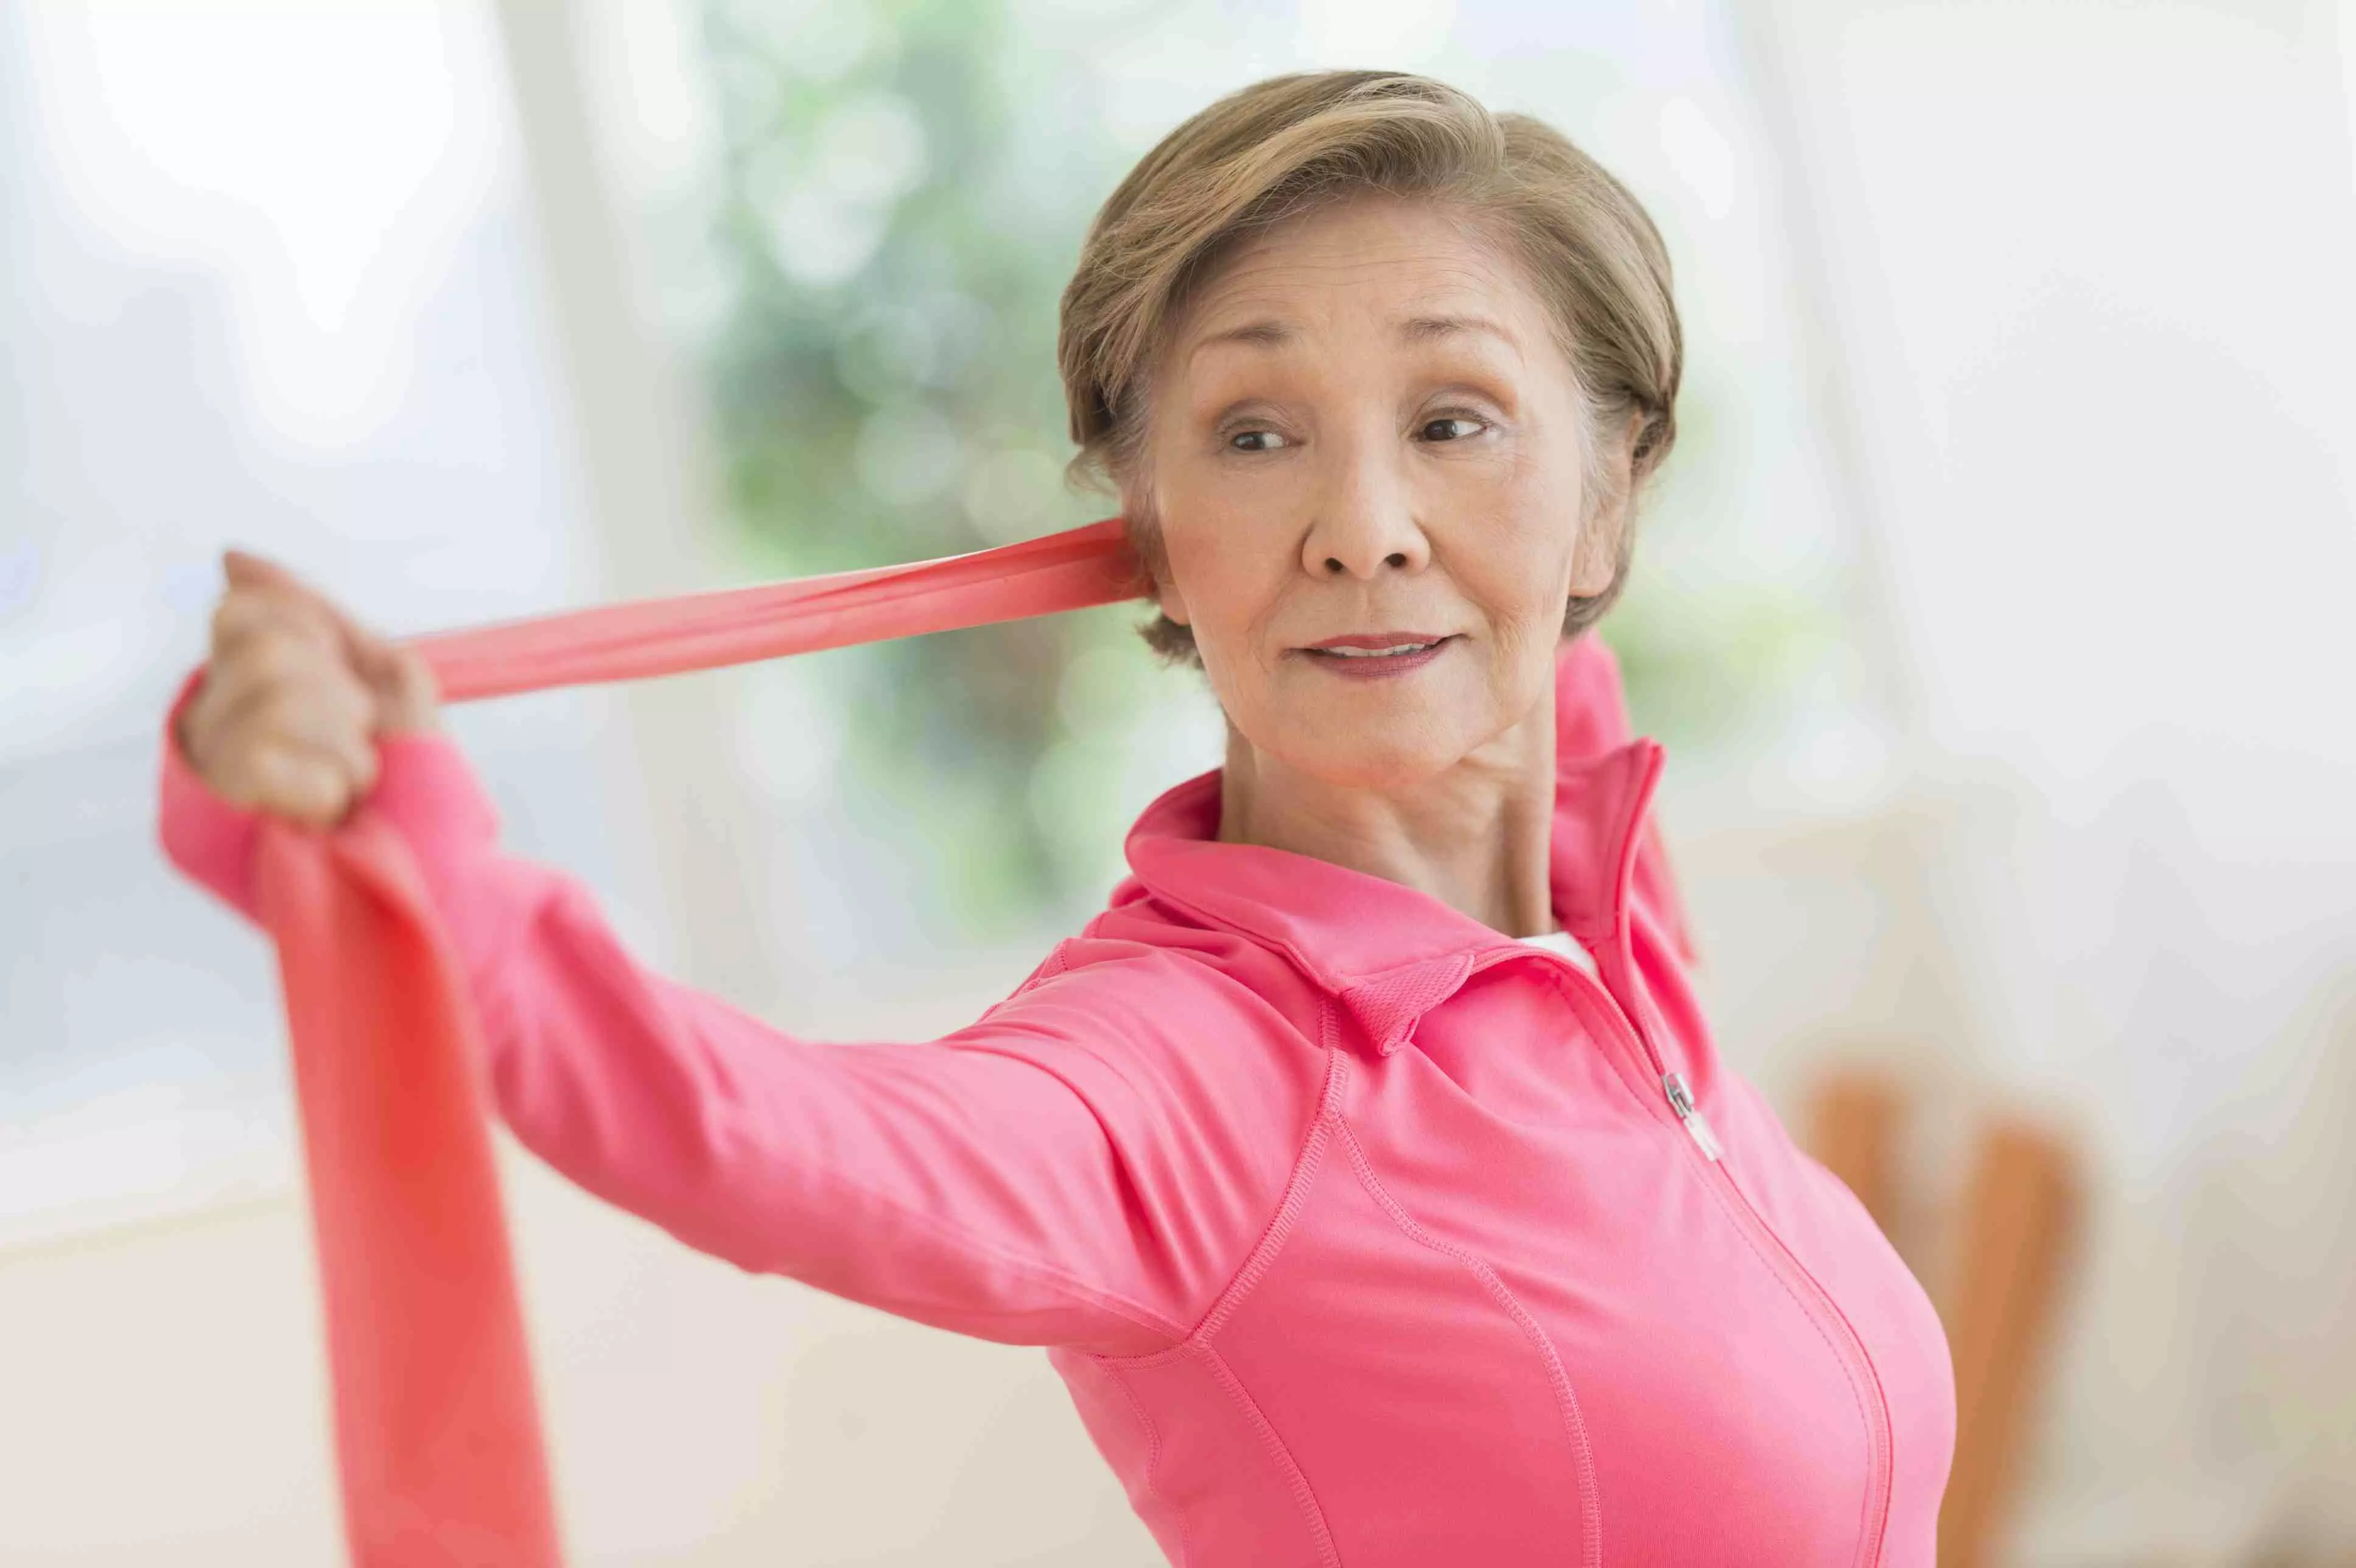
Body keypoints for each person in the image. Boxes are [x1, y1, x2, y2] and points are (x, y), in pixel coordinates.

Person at [163, 70, 1954, 1566]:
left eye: (1454, 418)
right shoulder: (1182, 1081)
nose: (1361, 524)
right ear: (1148, 525)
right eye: (1253, 435)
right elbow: (756, 1129)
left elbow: (1531, 687)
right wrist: (390, 848)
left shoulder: (1596, 932)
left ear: (1610, 499)